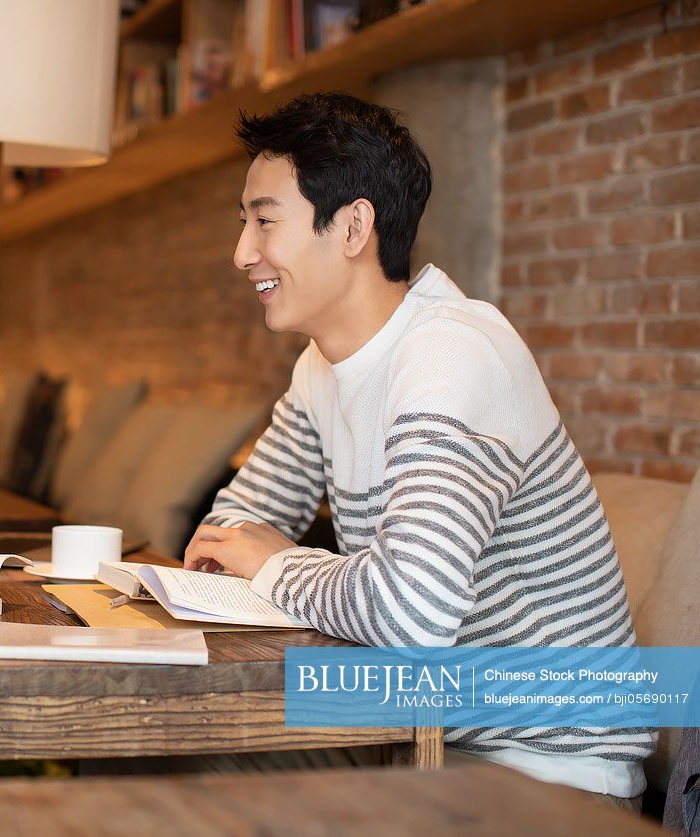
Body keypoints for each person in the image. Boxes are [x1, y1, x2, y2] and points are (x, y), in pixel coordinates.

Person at [183, 93, 653, 808]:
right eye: (242, 222)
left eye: (263, 220)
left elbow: (409, 614)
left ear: (352, 226)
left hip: (545, 773)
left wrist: (274, 559)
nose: (242, 251)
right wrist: (267, 555)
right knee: (168, 754)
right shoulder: (322, 367)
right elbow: (225, 537)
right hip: (421, 737)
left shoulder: (450, 352)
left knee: (191, 774)